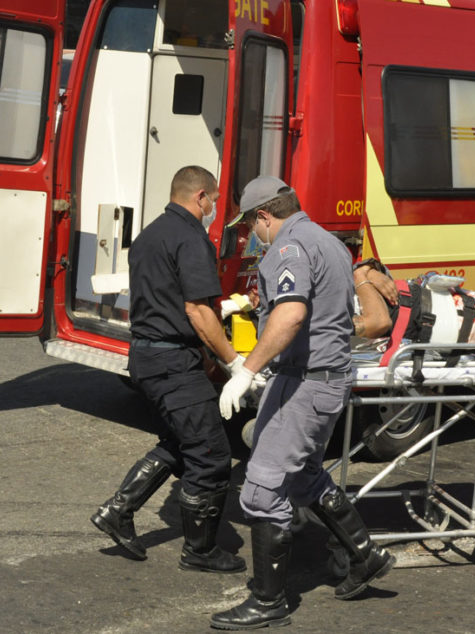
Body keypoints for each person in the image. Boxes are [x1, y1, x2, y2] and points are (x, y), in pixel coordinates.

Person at [211, 176, 392, 630]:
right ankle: (365, 555)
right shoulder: (330, 242)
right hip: (325, 379)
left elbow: (292, 314)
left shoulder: (286, 249)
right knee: (305, 476)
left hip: (305, 384)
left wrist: (247, 371)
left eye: (250, 225)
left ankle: (269, 601)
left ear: (264, 216)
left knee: (261, 486)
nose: (251, 235)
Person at [91, 165, 249, 574]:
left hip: (147, 356)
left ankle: (118, 510)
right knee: (211, 454)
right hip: (173, 362)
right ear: (201, 197)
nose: (215, 208)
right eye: (214, 200)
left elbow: (170, 299)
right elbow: (197, 309)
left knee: (182, 441)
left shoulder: (150, 234)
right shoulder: (190, 238)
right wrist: (233, 362)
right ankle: (200, 550)